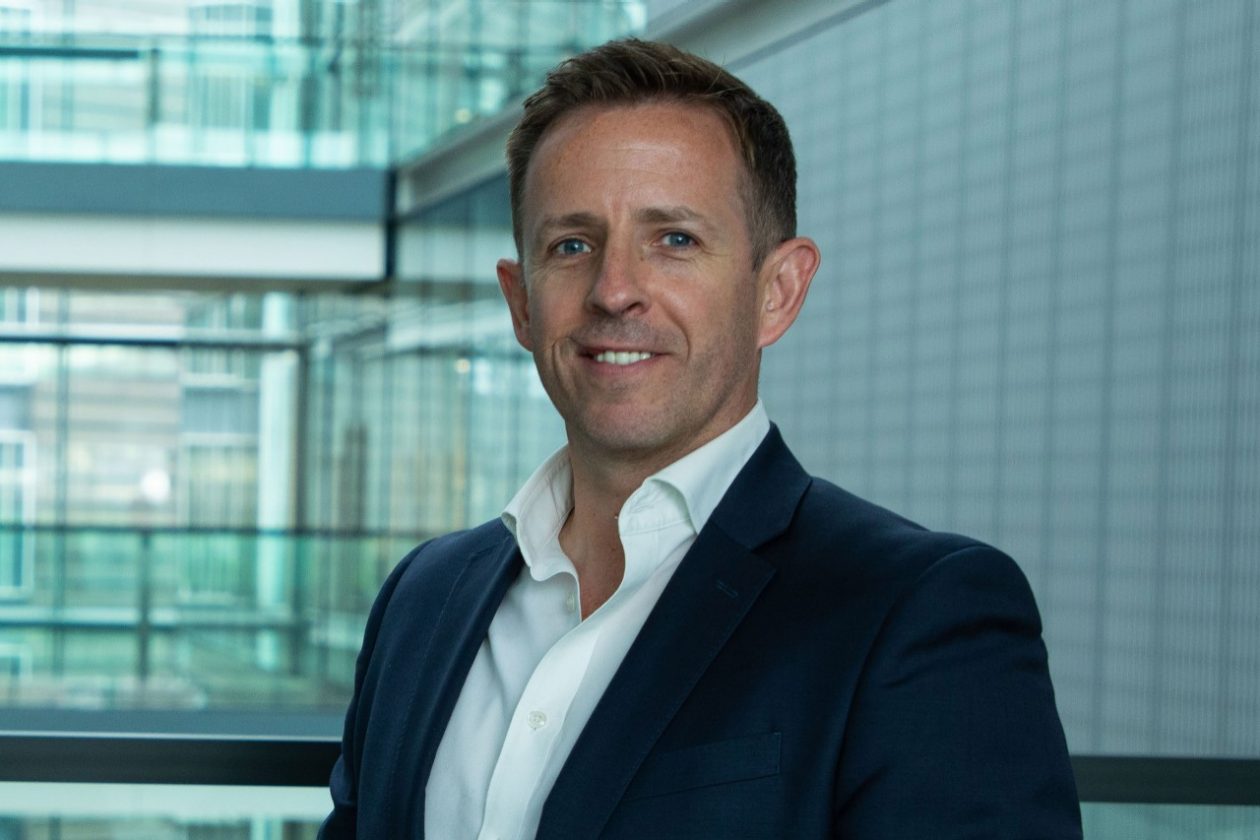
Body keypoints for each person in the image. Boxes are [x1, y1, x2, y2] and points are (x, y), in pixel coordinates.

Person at [320, 38, 1082, 839]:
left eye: (675, 240)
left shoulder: (916, 612)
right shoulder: (422, 598)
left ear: (777, 291)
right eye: (572, 245)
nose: (615, 290)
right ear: (521, 303)